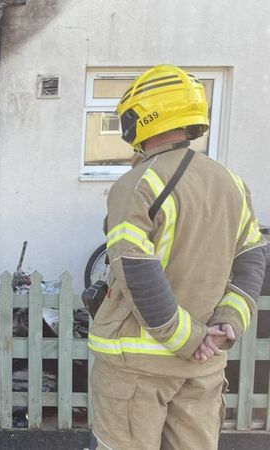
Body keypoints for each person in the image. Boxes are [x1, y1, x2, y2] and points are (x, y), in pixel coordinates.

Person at [88, 64, 267, 449]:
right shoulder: (232, 183)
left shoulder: (137, 183)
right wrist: (229, 320)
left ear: (142, 117)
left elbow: (135, 267)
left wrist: (187, 338)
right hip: (204, 366)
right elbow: (252, 257)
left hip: (136, 368)